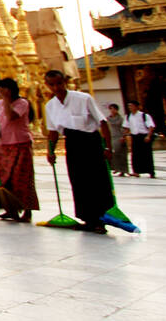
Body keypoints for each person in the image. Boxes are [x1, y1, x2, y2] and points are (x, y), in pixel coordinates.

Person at [44, 70, 115, 234]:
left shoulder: (83, 99)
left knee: (96, 181)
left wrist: (108, 147)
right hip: (72, 143)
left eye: (59, 83)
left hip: (91, 141)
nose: (57, 87)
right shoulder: (50, 106)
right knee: (78, 180)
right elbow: (53, 131)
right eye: (52, 84)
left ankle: (100, 220)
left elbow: (102, 123)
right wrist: (51, 151)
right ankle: (87, 218)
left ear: (65, 82)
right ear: (47, 85)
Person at [0, 77, 39, 223]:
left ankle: (27, 211)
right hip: (4, 145)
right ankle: (10, 208)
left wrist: (6, 100)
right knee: (4, 178)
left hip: (20, 143)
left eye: (2, 89)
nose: (0, 92)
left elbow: (11, 116)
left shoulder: (22, 103)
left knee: (21, 178)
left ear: (10, 89)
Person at [124, 100, 156, 178]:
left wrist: (148, 136)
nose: (130, 107)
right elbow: (126, 127)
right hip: (135, 137)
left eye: (131, 106)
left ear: (136, 106)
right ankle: (136, 171)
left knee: (147, 154)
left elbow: (151, 126)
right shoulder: (128, 116)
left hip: (144, 136)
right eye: (129, 106)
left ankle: (151, 171)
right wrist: (124, 136)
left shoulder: (144, 115)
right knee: (135, 154)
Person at [105, 104, 129, 176]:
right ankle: (117, 168)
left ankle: (123, 170)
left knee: (122, 153)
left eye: (113, 109)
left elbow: (125, 128)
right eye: (110, 109)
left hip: (120, 136)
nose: (112, 110)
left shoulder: (121, 118)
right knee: (115, 153)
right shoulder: (108, 118)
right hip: (113, 136)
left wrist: (123, 136)